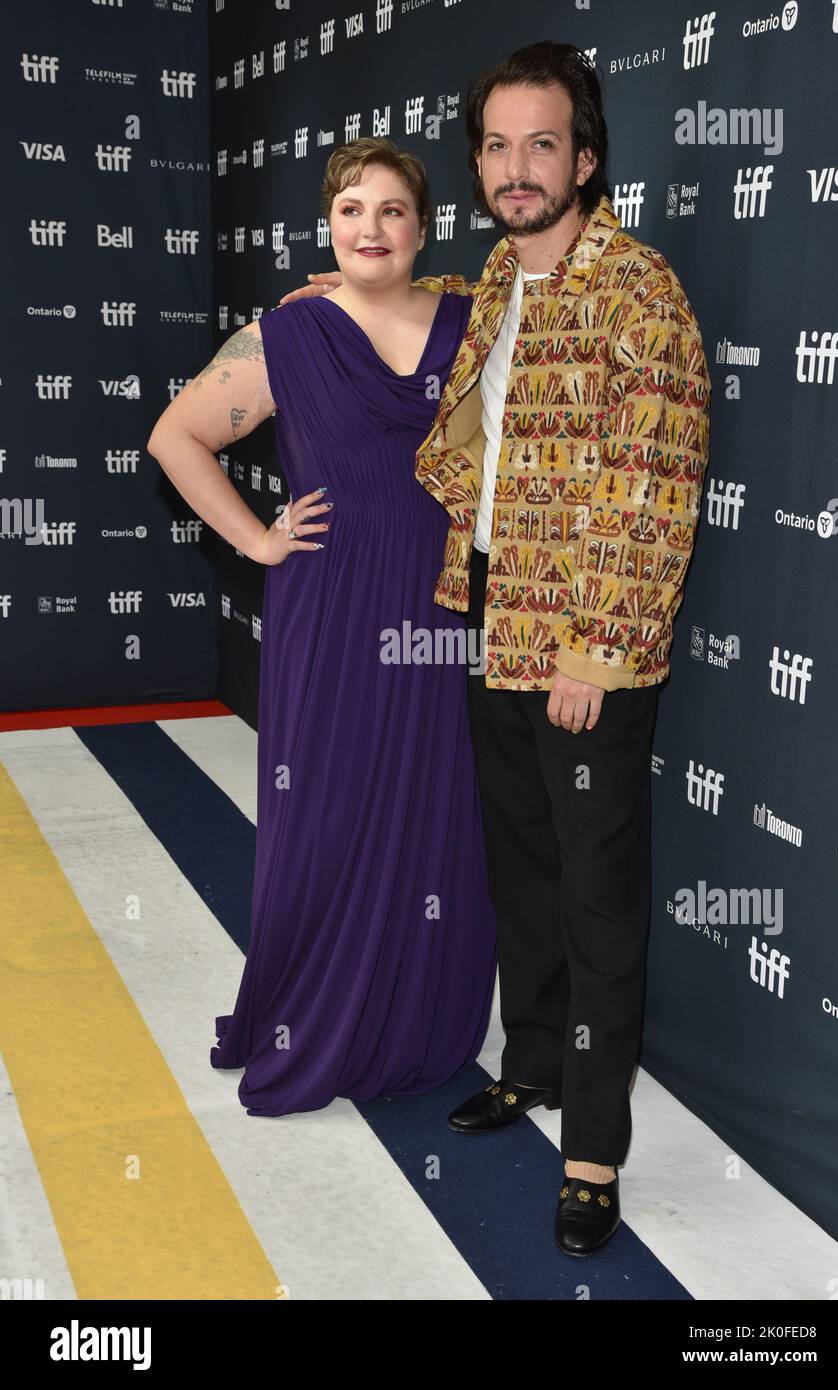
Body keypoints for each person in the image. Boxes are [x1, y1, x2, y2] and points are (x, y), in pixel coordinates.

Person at [282, 42, 711, 1255]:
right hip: (495, 629)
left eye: (542, 144)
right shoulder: (496, 290)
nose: (518, 168)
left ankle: (591, 1151)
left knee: (594, 895)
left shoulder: (637, 289)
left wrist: (595, 649)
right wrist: (333, 292)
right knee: (522, 874)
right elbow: (419, 361)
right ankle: (528, 1065)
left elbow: (656, 484)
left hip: (586, 653)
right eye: (497, 146)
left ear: (586, 157)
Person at [147, 138, 497, 1117]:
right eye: (352, 210)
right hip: (330, 613)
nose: (370, 229)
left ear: (422, 230)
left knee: (436, 819)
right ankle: (312, 1019)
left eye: (392, 211)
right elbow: (176, 435)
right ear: (326, 225)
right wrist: (257, 539)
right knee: (326, 819)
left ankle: (417, 1022)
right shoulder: (290, 334)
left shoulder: (474, 324)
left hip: (438, 618)